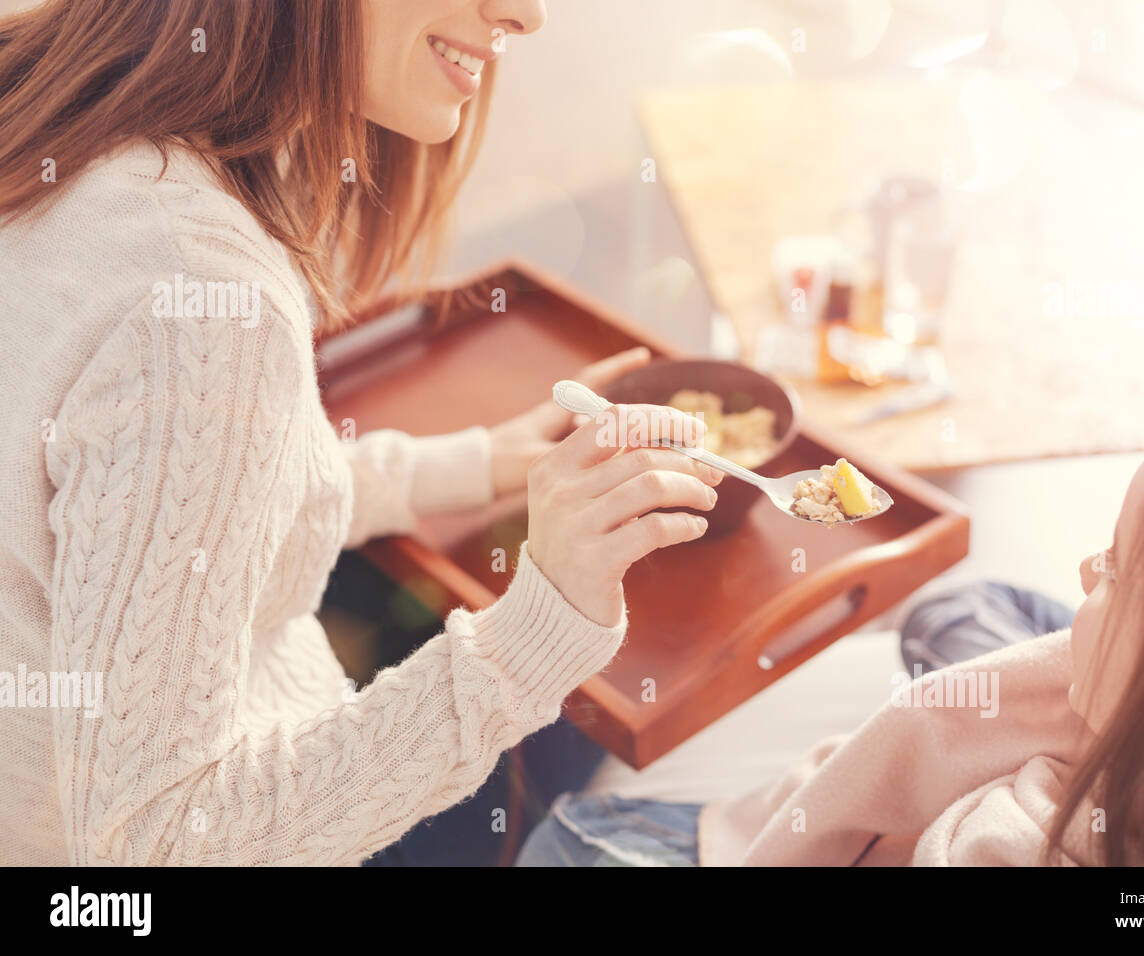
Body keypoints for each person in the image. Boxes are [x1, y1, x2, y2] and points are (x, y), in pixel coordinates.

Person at [0, 0, 725, 865]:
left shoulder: (48, 108)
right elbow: (151, 844)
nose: (526, 16)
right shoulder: (202, 303)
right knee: (606, 723)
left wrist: (472, 466)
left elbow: (113, 498)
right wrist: (546, 622)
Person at [519, 392, 1144, 866]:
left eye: (1122, 570)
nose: (1090, 567)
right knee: (960, 608)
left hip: (686, 839)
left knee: (556, 843)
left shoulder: (1008, 842)